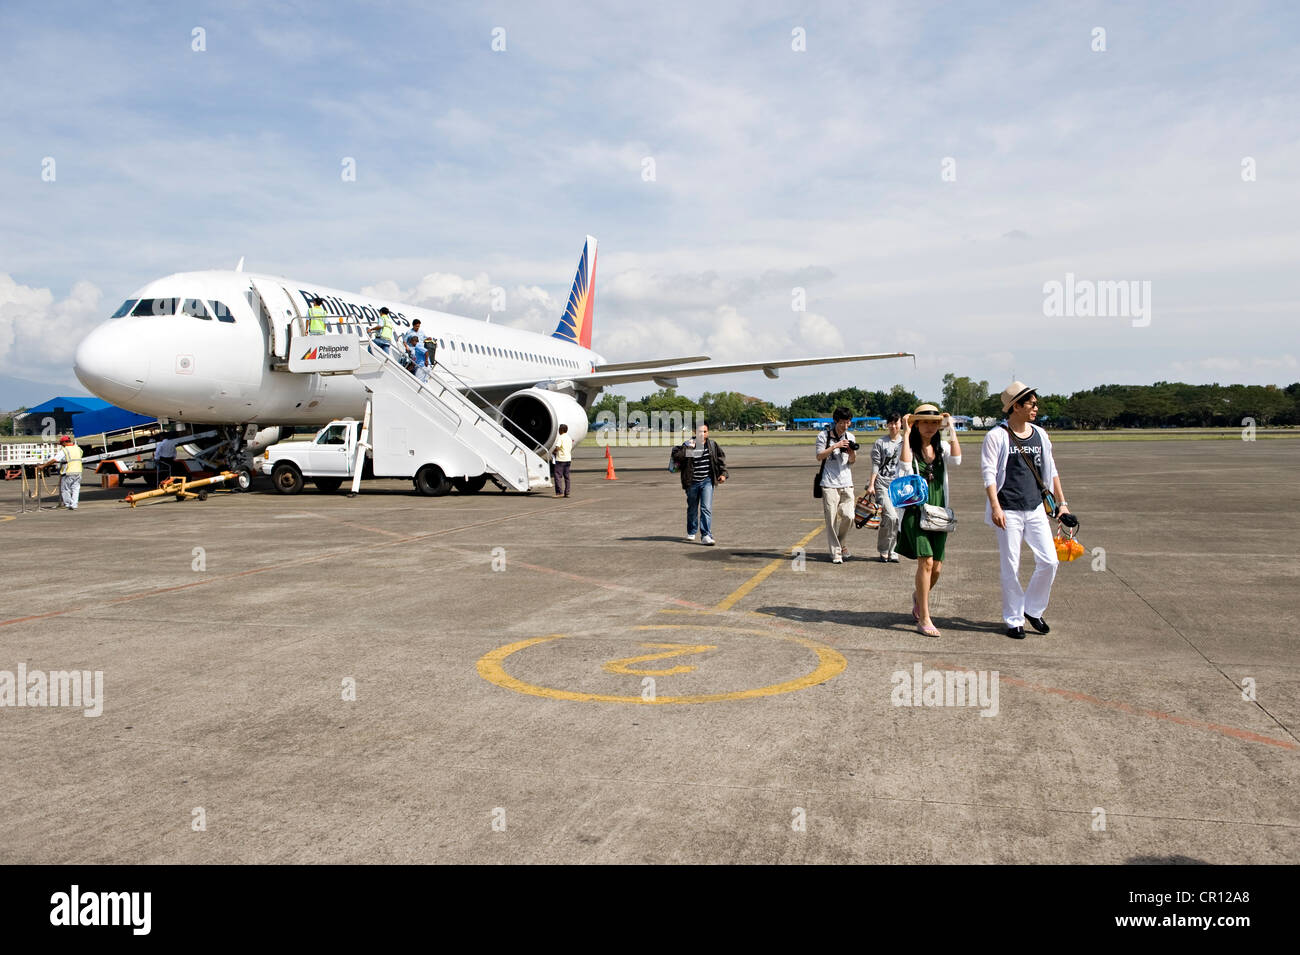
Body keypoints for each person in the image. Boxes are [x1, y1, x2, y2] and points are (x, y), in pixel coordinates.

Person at [981, 381, 1071, 639]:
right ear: (1016, 407)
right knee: (1011, 565)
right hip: (1008, 509)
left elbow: (1051, 470)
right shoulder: (996, 436)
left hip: (1035, 508)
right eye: (1031, 404)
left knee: (1050, 561)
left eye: (1035, 404)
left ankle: (1032, 608)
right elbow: (989, 474)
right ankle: (1013, 619)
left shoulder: (1040, 434)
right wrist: (995, 507)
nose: (1036, 408)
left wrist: (1062, 504)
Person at [896, 404, 961, 637]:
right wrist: (905, 433)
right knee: (926, 562)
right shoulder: (909, 447)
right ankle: (924, 618)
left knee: (937, 568)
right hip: (916, 511)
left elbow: (957, 460)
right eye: (924, 422)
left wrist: (950, 427)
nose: (930, 427)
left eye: (934, 423)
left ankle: (918, 596)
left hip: (939, 512)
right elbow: (905, 467)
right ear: (916, 425)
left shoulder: (942, 448)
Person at [670, 422, 728, 545]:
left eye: (705, 431)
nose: (702, 434)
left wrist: (723, 474)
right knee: (692, 508)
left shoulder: (712, 445)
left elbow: (720, 460)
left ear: (708, 432)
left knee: (706, 508)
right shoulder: (688, 444)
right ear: (695, 432)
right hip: (691, 482)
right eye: (700, 431)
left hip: (707, 481)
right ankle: (692, 531)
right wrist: (689, 448)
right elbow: (678, 457)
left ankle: (706, 535)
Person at [815, 407, 857, 563]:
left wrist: (851, 452)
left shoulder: (850, 436)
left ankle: (841, 543)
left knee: (849, 516)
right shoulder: (823, 436)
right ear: (835, 421)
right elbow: (819, 456)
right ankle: (836, 552)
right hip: (829, 484)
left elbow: (852, 461)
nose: (845, 426)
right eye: (842, 423)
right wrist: (835, 446)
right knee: (831, 520)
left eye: (848, 423)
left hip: (847, 483)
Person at [868, 412, 904, 562]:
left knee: (896, 519)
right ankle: (884, 548)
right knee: (891, 516)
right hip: (882, 483)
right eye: (891, 423)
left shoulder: (905, 442)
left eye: (896, 423)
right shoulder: (880, 442)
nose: (894, 426)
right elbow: (875, 465)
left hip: (899, 486)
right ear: (887, 424)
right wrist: (871, 484)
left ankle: (893, 550)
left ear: (901, 424)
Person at [41, 435, 84, 511]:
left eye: (61, 444)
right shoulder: (78, 449)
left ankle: (67, 504)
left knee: (65, 489)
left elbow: (54, 460)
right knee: (75, 489)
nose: (62, 445)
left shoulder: (65, 450)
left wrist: (43, 466)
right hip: (78, 471)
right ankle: (74, 505)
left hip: (68, 471)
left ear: (64, 442)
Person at [552, 424, 573, 497]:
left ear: (561, 430)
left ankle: (559, 492)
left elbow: (557, 447)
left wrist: (553, 452)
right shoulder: (569, 438)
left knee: (557, 476)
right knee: (567, 477)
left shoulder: (561, 437)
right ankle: (567, 492)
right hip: (568, 459)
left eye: (559, 429)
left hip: (561, 459)